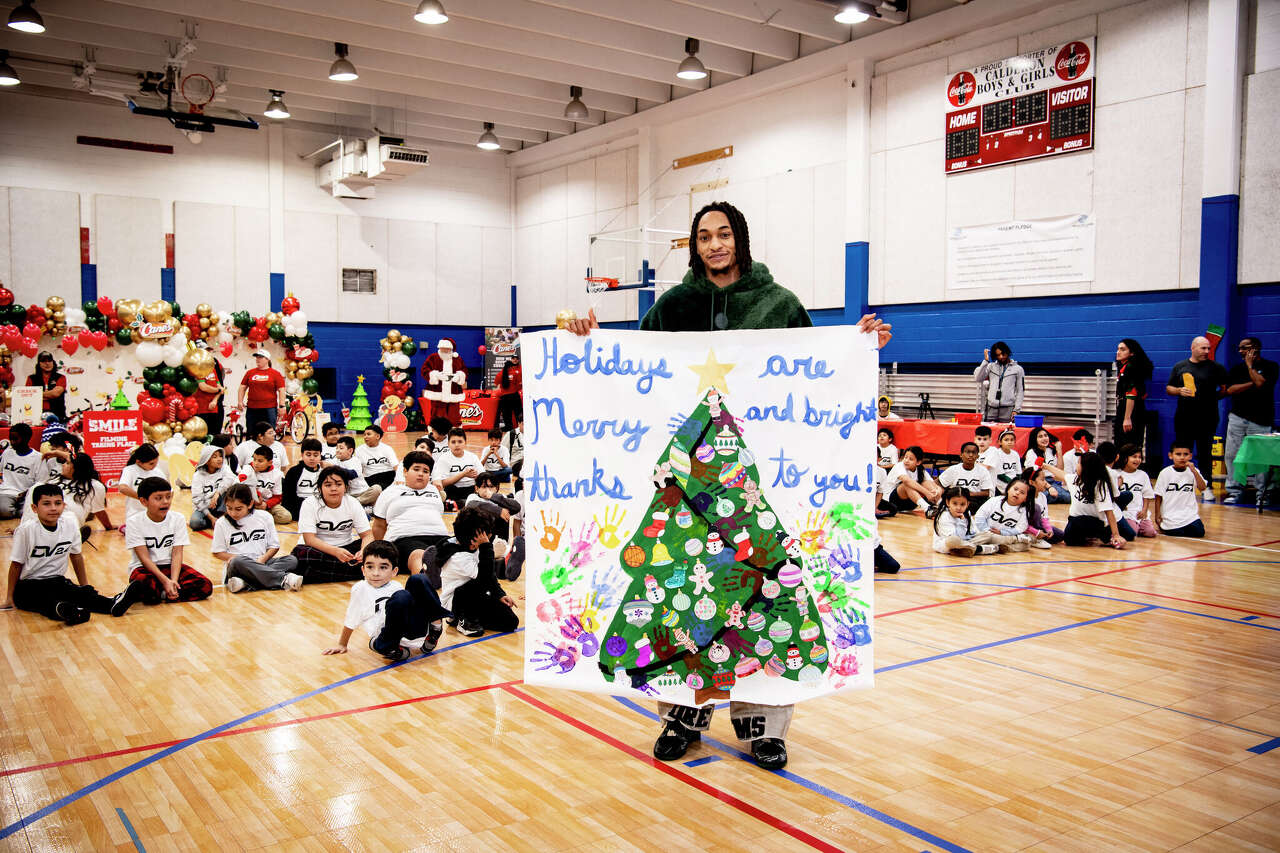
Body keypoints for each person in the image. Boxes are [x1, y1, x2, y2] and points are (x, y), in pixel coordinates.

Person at [565, 199, 892, 772]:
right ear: (693, 246)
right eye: (703, 236)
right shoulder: (673, 306)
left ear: (740, 238)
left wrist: (858, 347)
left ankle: (763, 723)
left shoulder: (778, 303)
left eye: (723, 234)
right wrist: (586, 339)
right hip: (690, 476)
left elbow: (817, 373)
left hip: (756, 477)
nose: (714, 244)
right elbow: (632, 371)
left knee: (767, 593)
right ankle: (683, 713)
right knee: (679, 589)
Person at [1, 484, 145, 622]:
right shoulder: (26, 530)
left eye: (58, 503)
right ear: (34, 508)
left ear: (64, 506)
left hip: (57, 581)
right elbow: (15, 565)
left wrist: (84, 586)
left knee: (79, 594)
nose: (53, 508)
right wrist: (9, 597)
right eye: (46, 504)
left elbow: (76, 557)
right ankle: (66, 610)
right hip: (28, 585)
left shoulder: (70, 524)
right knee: (44, 601)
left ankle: (112, 604)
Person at [321, 539, 449, 662]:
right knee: (401, 597)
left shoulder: (396, 587)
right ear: (363, 570)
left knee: (418, 579)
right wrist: (342, 644)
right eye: (370, 567)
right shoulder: (360, 589)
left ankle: (435, 627)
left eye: (383, 567)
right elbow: (352, 618)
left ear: (394, 571)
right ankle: (388, 647)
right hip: (388, 635)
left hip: (414, 629)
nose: (376, 573)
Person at [432, 506, 517, 637]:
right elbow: (485, 577)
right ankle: (461, 619)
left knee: (510, 622)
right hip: (456, 602)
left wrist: (500, 594)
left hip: (478, 595)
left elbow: (490, 578)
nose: (489, 539)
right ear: (474, 542)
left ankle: (468, 618)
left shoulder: (474, 547)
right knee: (475, 584)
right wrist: (486, 547)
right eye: (486, 537)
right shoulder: (458, 558)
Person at [125, 476, 212, 603]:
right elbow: (144, 559)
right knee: (145, 586)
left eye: (168, 496)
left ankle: (166, 593)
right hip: (144, 568)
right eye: (158, 498)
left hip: (170, 566)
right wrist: (165, 581)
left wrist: (174, 581)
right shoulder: (134, 522)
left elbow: (177, 553)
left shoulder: (178, 519)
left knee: (205, 586)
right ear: (144, 501)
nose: (165, 502)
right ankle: (164, 592)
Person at [211, 484, 303, 593]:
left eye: (238, 509)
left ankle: (245, 583)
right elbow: (217, 552)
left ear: (250, 504)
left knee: (291, 560)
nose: (233, 513)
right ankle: (283, 579)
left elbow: (274, 546)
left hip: (262, 561)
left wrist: (262, 560)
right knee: (237, 561)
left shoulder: (264, 517)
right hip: (239, 566)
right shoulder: (222, 523)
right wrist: (241, 559)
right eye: (229, 508)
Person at [292, 466, 374, 584]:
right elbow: (309, 539)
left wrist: (363, 551)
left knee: (379, 548)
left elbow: (367, 535)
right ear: (320, 488)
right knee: (303, 554)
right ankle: (359, 571)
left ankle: (320, 575)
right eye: (328, 485)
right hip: (318, 550)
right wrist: (335, 551)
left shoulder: (353, 503)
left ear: (345, 487)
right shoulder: (309, 504)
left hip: (347, 549)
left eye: (338, 484)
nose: (334, 489)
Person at [372, 450, 450, 570]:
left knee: (458, 553)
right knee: (419, 555)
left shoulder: (434, 491)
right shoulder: (390, 492)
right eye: (416, 469)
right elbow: (379, 525)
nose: (421, 474)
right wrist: (382, 550)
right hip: (405, 539)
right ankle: (423, 578)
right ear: (405, 471)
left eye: (425, 471)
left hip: (439, 537)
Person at [1165, 336, 1228, 483]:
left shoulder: (1216, 368)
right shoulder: (1180, 366)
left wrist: (1212, 397)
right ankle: (1181, 481)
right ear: (1193, 348)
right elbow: (1169, 388)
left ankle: (1207, 484)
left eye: (1208, 348)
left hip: (1208, 417)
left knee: (1205, 451)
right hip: (1184, 417)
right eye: (1203, 348)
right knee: (1182, 451)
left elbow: (1225, 389)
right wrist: (1179, 391)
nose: (1206, 351)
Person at [1224, 337, 1278, 505]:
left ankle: (1262, 494)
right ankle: (1234, 490)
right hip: (1238, 418)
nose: (1241, 351)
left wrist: (1250, 366)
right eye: (1239, 348)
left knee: (1262, 458)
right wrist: (1252, 382)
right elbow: (1231, 390)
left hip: (1261, 420)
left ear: (1256, 348)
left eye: (1245, 348)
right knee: (1232, 454)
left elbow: (1261, 383)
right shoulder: (1236, 369)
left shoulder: (1271, 366)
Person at [25, 451, 113, 540]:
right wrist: (56, 452)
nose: (63, 465)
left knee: (64, 507)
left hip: (71, 519)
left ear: (77, 468)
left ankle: (71, 535)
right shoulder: (56, 480)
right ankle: (28, 529)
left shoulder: (94, 486)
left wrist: (109, 527)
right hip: (50, 515)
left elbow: (99, 511)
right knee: (36, 488)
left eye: (67, 463)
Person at [1063, 453, 1128, 549]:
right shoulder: (1075, 479)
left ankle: (1107, 535)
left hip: (1095, 522)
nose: (1076, 466)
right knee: (1069, 539)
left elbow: (1109, 512)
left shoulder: (1100, 485)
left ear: (1086, 467)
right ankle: (1088, 537)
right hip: (1074, 521)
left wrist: (1116, 534)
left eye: (1079, 463)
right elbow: (1061, 474)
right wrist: (1045, 466)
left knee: (1129, 533)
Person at [1155, 441, 1207, 537]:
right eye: (1178, 454)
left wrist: (1194, 471)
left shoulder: (1193, 471)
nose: (1182, 457)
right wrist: (1157, 515)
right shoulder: (1165, 473)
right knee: (1175, 532)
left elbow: (1203, 488)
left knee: (1199, 532)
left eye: (1185, 454)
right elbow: (1158, 496)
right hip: (1170, 516)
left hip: (1189, 516)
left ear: (1190, 456)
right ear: (1170, 456)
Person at [972, 478, 1037, 552]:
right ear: (1008, 489)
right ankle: (987, 547)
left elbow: (1020, 528)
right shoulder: (994, 501)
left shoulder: (1024, 511)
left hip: (1004, 537)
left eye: (1022, 492)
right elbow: (980, 516)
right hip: (984, 533)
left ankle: (993, 548)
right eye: (1015, 489)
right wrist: (987, 530)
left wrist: (1002, 533)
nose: (1017, 493)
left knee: (1026, 546)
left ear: (1026, 498)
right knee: (987, 536)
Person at [1114, 338, 1154, 452]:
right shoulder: (1124, 367)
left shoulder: (1132, 368)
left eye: (1123, 349)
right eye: (1118, 349)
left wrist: (1127, 418)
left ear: (1132, 353)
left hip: (1132, 410)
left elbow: (1131, 394)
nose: (1118, 352)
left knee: (1128, 444)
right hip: (1127, 407)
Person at [116, 443, 168, 527]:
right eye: (151, 463)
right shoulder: (130, 470)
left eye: (156, 463)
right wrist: (142, 498)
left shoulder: (157, 471)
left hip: (156, 513)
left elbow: (169, 490)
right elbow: (122, 488)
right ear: (139, 462)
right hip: (135, 513)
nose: (154, 466)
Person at [237, 349, 286, 434]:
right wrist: (240, 401)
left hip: (269, 408)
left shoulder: (275, 374)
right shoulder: (250, 372)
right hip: (252, 408)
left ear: (267, 359)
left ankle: (268, 447)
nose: (257, 359)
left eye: (260, 357)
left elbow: (282, 390)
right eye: (256, 357)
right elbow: (242, 387)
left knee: (268, 433)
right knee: (252, 432)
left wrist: (282, 406)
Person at [188, 444, 235, 531]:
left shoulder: (224, 468)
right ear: (206, 460)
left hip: (220, 502)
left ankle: (222, 517)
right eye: (215, 457)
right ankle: (216, 521)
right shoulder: (198, 476)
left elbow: (232, 479)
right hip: (204, 506)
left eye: (221, 456)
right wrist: (211, 518)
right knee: (195, 523)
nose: (219, 459)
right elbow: (197, 499)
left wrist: (217, 493)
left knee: (232, 488)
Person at [1114, 444, 1157, 538]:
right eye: (1134, 457)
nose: (1137, 460)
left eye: (1139, 457)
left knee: (1150, 532)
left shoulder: (1143, 475)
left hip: (1139, 513)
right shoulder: (1116, 473)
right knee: (1133, 531)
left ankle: (1138, 525)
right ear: (1125, 458)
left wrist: (1144, 510)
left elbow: (1147, 495)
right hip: (1125, 513)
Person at [973, 342, 1024, 421]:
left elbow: (1020, 390)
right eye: (998, 355)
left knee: (1006, 432)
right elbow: (978, 378)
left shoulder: (1018, 369)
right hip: (991, 409)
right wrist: (985, 361)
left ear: (1007, 352)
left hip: (1008, 410)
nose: (1001, 357)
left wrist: (1016, 410)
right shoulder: (991, 366)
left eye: (1003, 354)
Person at [882, 445, 940, 513]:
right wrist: (927, 493)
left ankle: (941, 505)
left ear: (918, 462)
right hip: (892, 502)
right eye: (905, 457)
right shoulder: (899, 466)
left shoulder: (920, 469)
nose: (906, 460)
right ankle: (927, 509)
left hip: (910, 503)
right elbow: (907, 481)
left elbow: (932, 484)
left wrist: (936, 491)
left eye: (911, 459)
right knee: (906, 484)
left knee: (926, 483)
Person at [433, 427, 483, 506]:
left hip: (471, 488)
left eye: (460, 442)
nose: (457, 445)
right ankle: (467, 502)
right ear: (448, 444)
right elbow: (443, 483)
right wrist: (463, 474)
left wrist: (476, 476)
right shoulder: (443, 459)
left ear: (465, 442)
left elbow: (482, 476)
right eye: (453, 442)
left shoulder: (472, 457)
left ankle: (461, 503)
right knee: (449, 490)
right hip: (453, 490)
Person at [0, 422, 40, 519]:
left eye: (15, 439)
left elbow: (40, 481)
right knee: (4, 510)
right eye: (11, 439)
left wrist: (26, 493)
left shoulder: (38, 457)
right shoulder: (7, 453)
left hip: (26, 495)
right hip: (7, 492)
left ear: (26, 439)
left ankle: (19, 510)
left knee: (32, 514)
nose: (12, 442)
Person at [423, 338, 467, 425]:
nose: (445, 350)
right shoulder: (433, 358)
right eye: (443, 348)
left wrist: (458, 376)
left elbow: (464, 371)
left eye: (447, 349)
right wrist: (436, 375)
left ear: (451, 349)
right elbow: (424, 370)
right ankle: (436, 433)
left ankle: (454, 433)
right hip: (437, 392)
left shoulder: (457, 359)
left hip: (454, 392)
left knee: (454, 416)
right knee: (437, 416)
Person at [931, 487, 985, 557]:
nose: (958, 508)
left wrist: (981, 536)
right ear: (948, 502)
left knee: (987, 535)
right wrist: (962, 521)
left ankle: (967, 549)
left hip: (966, 541)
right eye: (955, 504)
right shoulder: (944, 516)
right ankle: (981, 549)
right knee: (953, 540)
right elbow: (957, 537)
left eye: (962, 504)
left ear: (967, 504)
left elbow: (974, 531)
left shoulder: (967, 513)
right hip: (947, 545)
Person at [937, 441, 992, 509]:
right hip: (955, 499)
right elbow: (938, 482)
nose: (971, 455)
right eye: (968, 452)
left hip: (973, 500)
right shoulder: (953, 469)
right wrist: (941, 491)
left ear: (977, 456)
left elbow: (986, 493)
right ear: (961, 455)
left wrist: (968, 494)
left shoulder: (983, 471)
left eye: (973, 452)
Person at [244, 445, 289, 524]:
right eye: (254, 459)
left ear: (270, 462)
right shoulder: (248, 469)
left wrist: (266, 505)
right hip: (250, 503)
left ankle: (262, 518)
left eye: (260, 461)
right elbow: (244, 486)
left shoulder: (277, 474)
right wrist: (256, 497)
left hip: (267, 504)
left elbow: (277, 496)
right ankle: (259, 517)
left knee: (286, 517)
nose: (256, 463)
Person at [281, 438, 324, 521]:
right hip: (299, 504)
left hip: (319, 504)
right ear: (302, 455)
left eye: (315, 455)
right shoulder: (294, 471)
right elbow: (288, 496)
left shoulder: (324, 471)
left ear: (320, 455)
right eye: (308, 455)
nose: (312, 458)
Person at [1024, 427, 1069, 503]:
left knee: (1068, 497)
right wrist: (1050, 487)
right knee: (1044, 496)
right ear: (1034, 439)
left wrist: (1059, 451)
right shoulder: (1031, 453)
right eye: (1040, 436)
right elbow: (1035, 476)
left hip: (1053, 481)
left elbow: (1059, 471)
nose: (1044, 438)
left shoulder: (1050, 451)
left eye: (1046, 435)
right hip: (1038, 481)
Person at [334, 436, 382, 506]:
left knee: (377, 489)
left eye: (341, 448)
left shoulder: (355, 461)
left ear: (350, 451)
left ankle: (356, 503)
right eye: (336, 448)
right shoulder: (335, 462)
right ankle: (362, 505)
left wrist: (333, 468)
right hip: (348, 495)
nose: (337, 450)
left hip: (363, 492)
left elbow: (352, 474)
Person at [1020, 468, 1064, 545]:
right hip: (1025, 528)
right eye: (1042, 480)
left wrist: (1048, 529)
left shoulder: (1042, 496)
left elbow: (1044, 517)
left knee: (1061, 535)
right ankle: (1033, 537)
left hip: (1039, 527)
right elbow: (1021, 523)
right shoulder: (1024, 498)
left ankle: (1038, 537)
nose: (1046, 483)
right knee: (1036, 508)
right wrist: (1036, 532)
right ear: (1032, 482)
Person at [192, 352, 227, 436]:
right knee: (203, 435)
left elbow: (220, 388)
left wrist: (215, 401)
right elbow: (203, 386)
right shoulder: (199, 370)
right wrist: (217, 390)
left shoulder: (213, 370)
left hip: (213, 407)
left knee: (214, 433)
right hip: (202, 408)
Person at [26, 351, 67, 423]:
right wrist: (48, 394)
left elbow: (55, 394)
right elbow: (28, 396)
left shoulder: (61, 377)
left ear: (53, 362)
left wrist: (36, 394)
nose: (47, 363)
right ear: (39, 363)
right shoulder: (31, 378)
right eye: (43, 361)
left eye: (49, 361)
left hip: (58, 416)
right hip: (36, 416)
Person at [355, 425, 399, 490]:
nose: (365, 437)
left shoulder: (387, 448)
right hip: (371, 478)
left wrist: (399, 479)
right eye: (364, 434)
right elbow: (359, 469)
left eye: (368, 434)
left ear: (377, 436)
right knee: (376, 490)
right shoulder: (359, 450)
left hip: (389, 475)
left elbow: (396, 466)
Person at [981, 428, 1022, 496]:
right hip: (1001, 483)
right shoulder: (997, 453)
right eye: (1006, 440)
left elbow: (1018, 472)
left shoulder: (1015, 454)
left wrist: (1018, 482)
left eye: (1012, 440)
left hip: (1014, 482)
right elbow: (1000, 475)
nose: (1009, 442)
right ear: (999, 442)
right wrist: (1013, 483)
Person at [497, 348, 523, 431]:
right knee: (517, 413)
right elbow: (518, 384)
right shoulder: (514, 373)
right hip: (514, 395)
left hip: (505, 397)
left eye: (516, 359)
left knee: (506, 414)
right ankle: (520, 427)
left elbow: (496, 382)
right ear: (511, 361)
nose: (515, 360)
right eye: (513, 359)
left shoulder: (502, 372)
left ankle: (509, 427)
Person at [501, 410, 524, 490]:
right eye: (524, 424)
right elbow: (502, 450)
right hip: (516, 464)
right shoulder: (511, 434)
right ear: (519, 423)